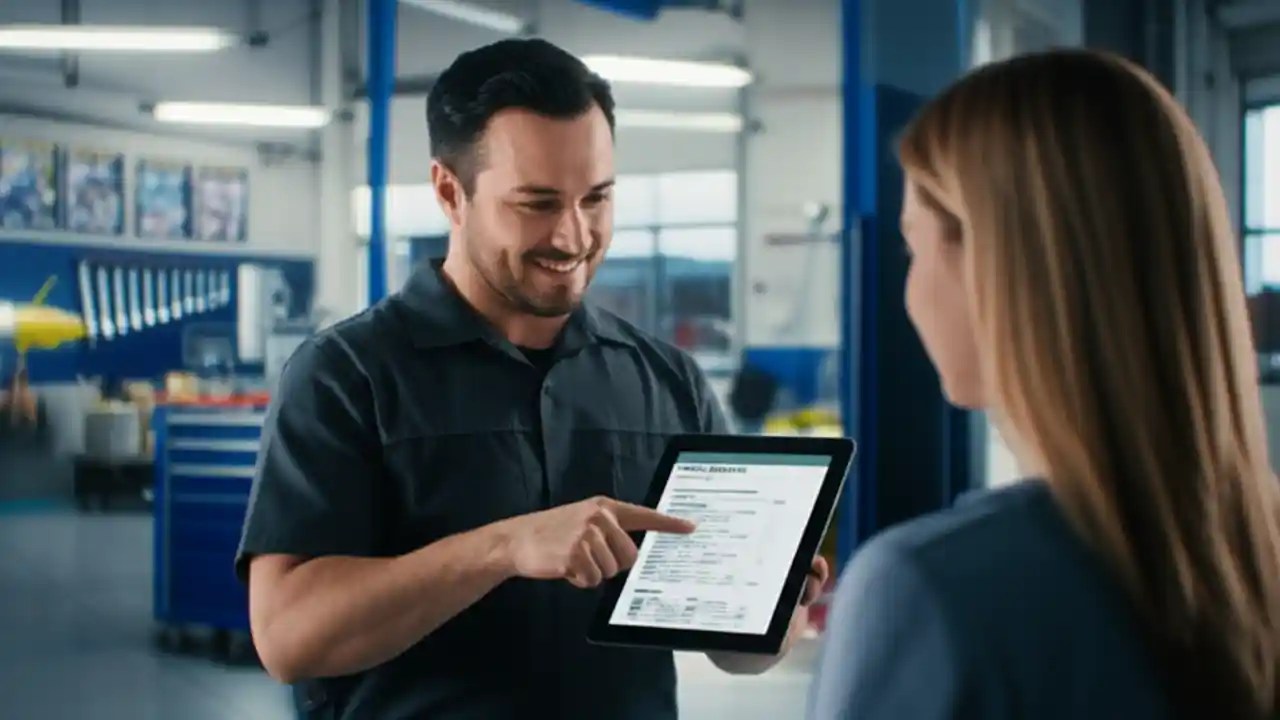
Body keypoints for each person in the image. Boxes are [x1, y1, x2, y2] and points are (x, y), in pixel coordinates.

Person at [239, 38, 827, 720]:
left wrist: (774, 605)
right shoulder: (344, 377)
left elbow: (738, 652)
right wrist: (504, 546)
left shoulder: (667, 380)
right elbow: (287, 638)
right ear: (449, 192)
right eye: (537, 203)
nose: (574, 236)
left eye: (597, 198)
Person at [809, 49, 1280, 720]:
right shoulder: (1258, 556)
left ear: (994, 264)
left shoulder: (931, 587)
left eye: (914, 249)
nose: (909, 290)